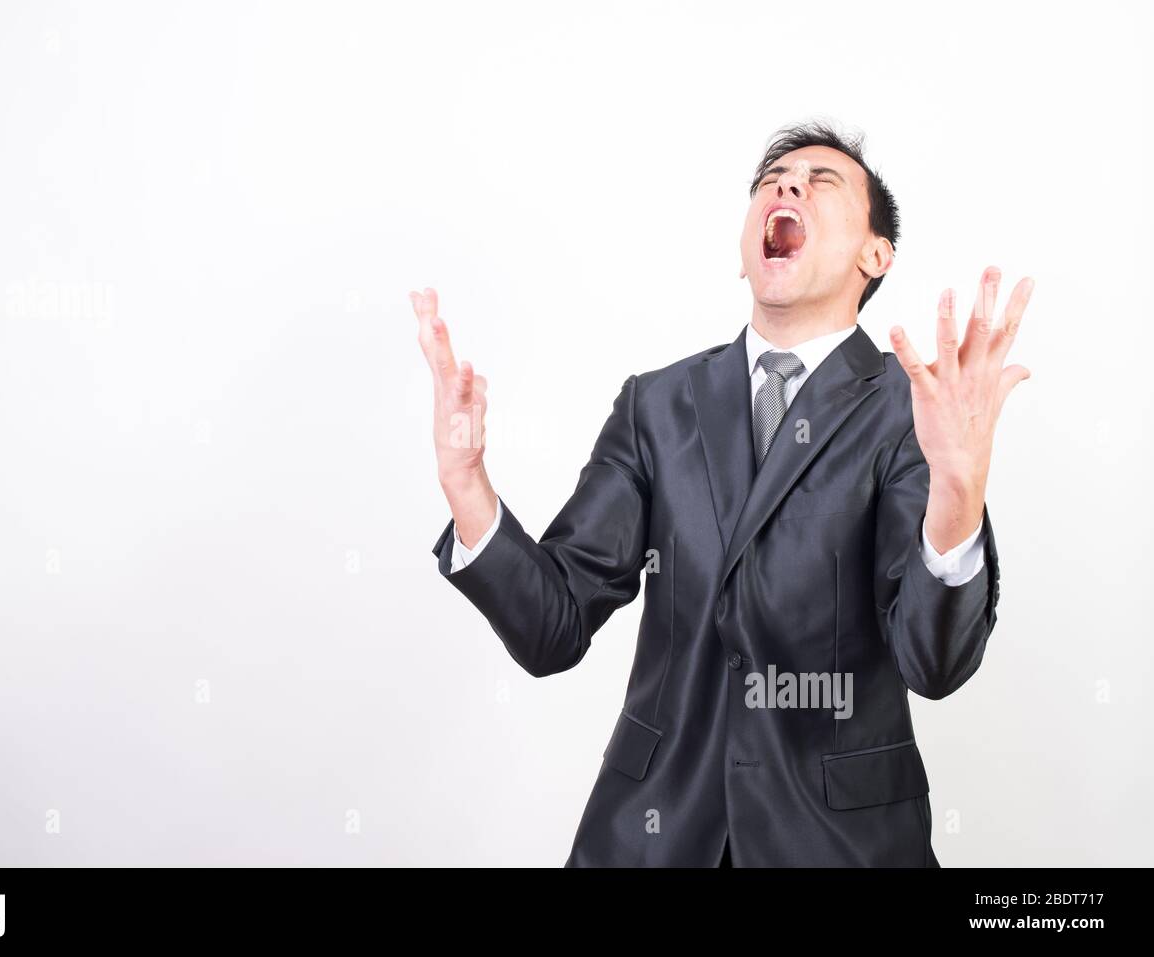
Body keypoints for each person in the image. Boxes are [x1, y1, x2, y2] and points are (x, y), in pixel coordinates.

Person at [409, 120, 1033, 867]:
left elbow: (933, 664)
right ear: (746, 256)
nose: (787, 183)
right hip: (652, 834)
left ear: (876, 255)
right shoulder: (657, 404)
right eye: (773, 177)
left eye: (820, 180)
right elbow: (554, 627)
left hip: (840, 844)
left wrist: (958, 489)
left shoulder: (915, 410)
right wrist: (467, 482)